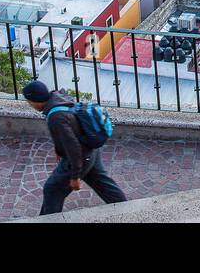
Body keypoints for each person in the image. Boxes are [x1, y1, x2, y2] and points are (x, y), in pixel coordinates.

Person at [22, 80, 127, 215]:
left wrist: (75, 176)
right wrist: (59, 149)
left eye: (29, 101)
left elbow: (73, 147)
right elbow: (70, 132)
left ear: (36, 100)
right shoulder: (58, 97)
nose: (29, 104)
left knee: (52, 189)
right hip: (91, 150)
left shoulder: (56, 117)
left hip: (81, 156)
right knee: (103, 183)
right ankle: (127, 210)